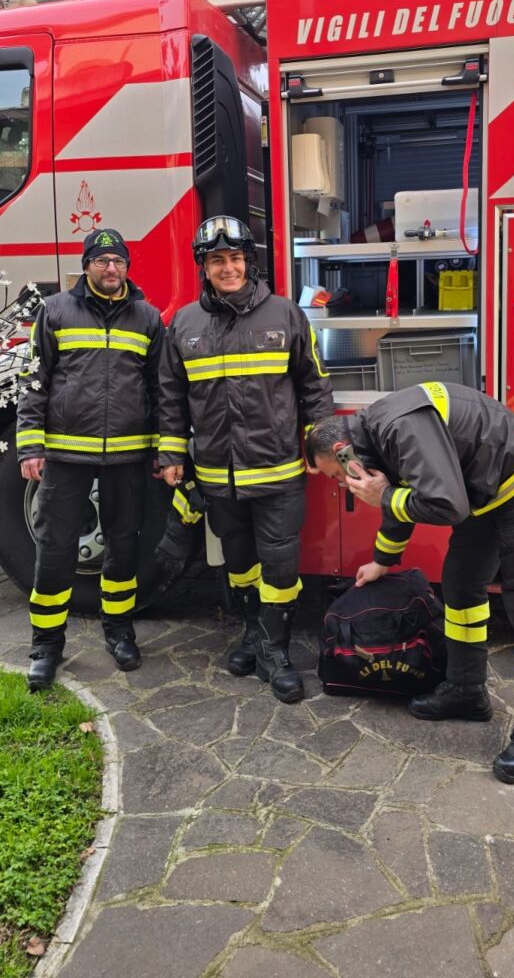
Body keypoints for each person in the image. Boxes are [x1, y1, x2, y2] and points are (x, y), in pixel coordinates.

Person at [306, 380, 514, 784]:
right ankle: (466, 690)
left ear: (343, 451)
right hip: (482, 494)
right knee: (460, 585)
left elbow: (445, 504)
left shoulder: (399, 428)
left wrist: (384, 497)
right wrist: (381, 561)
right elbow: (403, 494)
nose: (342, 483)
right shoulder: (376, 439)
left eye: (336, 473)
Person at [158, 215, 333, 703]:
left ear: (248, 262)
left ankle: (276, 651)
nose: (228, 268)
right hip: (218, 476)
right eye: (217, 260)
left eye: (235, 258)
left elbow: (315, 385)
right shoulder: (184, 324)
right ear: (204, 266)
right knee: (239, 563)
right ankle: (253, 634)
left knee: (279, 565)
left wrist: (320, 441)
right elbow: (170, 396)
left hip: (278, 471)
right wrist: (171, 450)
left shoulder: (285, 314)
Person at [16, 227, 164, 691]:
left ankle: (119, 632)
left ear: (127, 267)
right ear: (86, 267)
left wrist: (163, 448)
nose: (111, 268)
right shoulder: (55, 311)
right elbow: (34, 381)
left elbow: (160, 389)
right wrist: (30, 445)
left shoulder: (148, 318)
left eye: (118, 261)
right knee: (55, 549)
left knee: (123, 547)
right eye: (102, 261)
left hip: (128, 456)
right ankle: (46, 646)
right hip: (66, 455)